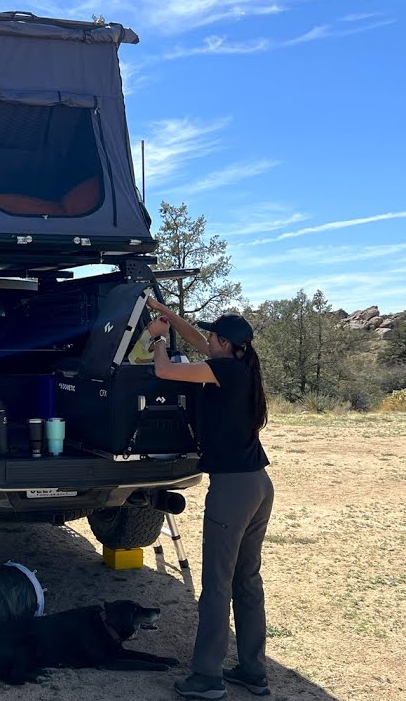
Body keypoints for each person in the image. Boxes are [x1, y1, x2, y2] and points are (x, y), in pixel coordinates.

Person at [143, 297, 275, 700]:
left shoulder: (222, 370)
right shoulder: (239, 367)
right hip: (258, 484)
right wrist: (168, 314)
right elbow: (197, 340)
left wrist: (157, 339)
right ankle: (253, 670)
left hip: (232, 489)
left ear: (224, 343)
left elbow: (165, 370)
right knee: (246, 580)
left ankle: (207, 677)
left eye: (213, 337)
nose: (207, 341)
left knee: (217, 584)